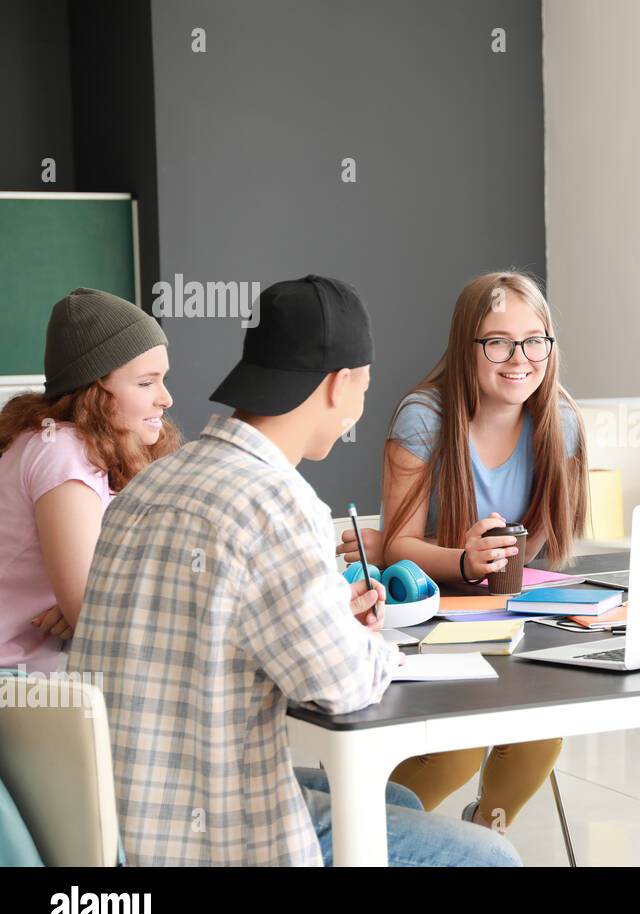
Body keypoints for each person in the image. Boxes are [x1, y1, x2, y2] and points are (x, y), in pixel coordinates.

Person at [70, 275, 520, 866]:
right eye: (364, 386)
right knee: (491, 858)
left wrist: (330, 621)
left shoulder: (150, 482)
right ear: (340, 385)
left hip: (111, 818)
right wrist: (366, 642)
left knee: (400, 797)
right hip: (209, 838)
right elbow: (339, 685)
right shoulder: (278, 502)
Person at [380, 271, 587, 830]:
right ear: (465, 346)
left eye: (535, 340)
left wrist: (493, 567)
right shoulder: (424, 417)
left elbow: (538, 544)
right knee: (460, 744)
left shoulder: (560, 422)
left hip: (506, 611)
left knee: (540, 732)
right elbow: (398, 543)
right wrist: (464, 561)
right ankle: (368, 839)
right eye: (498, 341)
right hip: (432, 610)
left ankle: (483, 838)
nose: (519, 357)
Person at [0, 288, 180, 675]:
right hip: (15, 682)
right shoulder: (62, 451)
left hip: (47, 673)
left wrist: (85, 607)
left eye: (162, 379)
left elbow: (108, 594)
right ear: (95, 390)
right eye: (146, 383)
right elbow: (95, 617)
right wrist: (86, 608)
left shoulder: (101, 448)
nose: (166, 398)